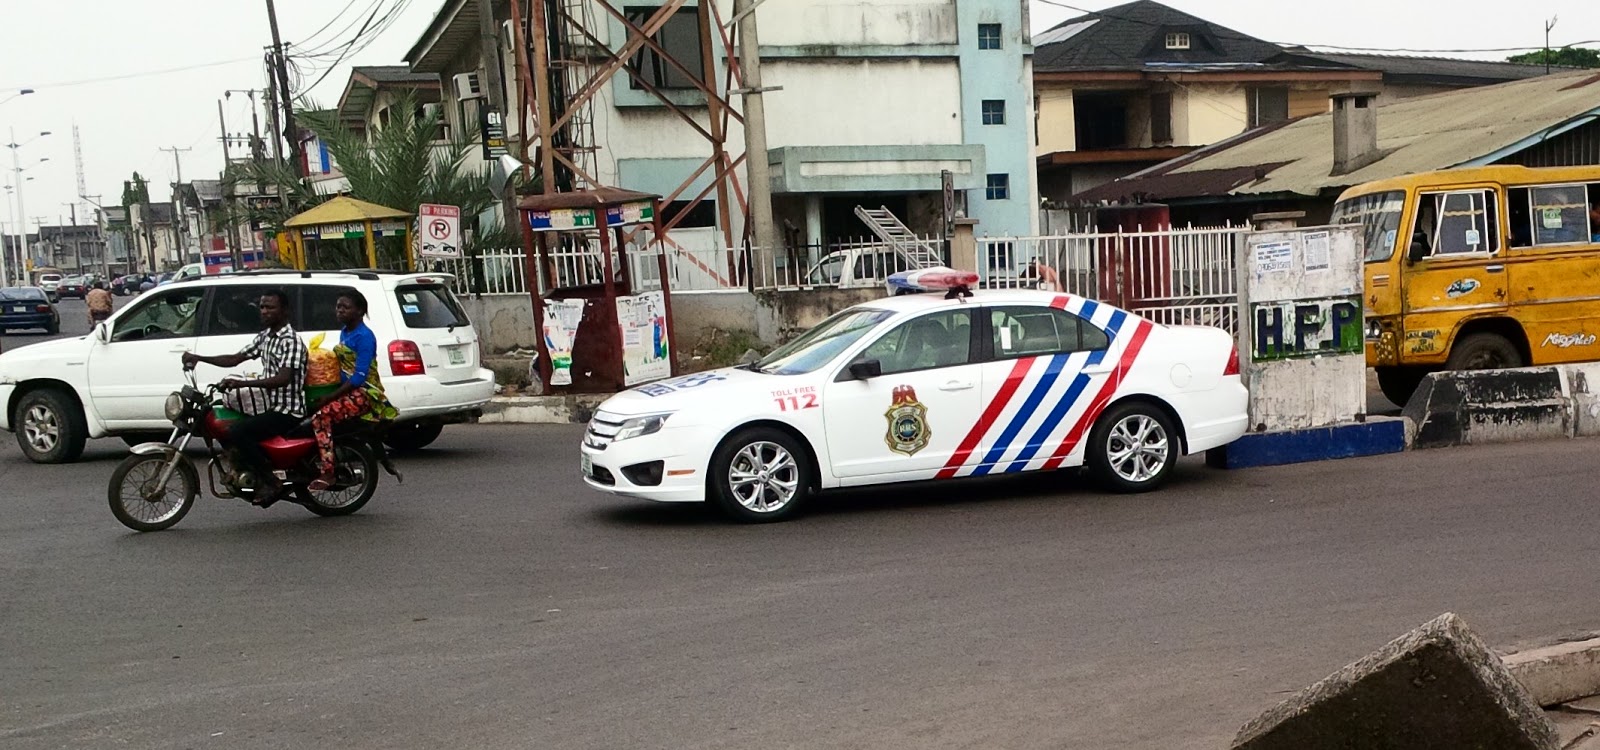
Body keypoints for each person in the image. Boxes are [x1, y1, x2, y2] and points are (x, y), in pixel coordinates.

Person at [181, 289, 308, 506]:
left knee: (239, 431)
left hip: (287, 409)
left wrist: (243, 383)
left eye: (270, 307)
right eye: (262, 307)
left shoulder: (291, 341)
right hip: (269, 404)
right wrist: (199, 358)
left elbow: (283, 379)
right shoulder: (266, 337)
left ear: (285, 311)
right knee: (223, 419)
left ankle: (271, 481)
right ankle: (243, 465)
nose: (264, 311)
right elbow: (235, 358)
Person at [308, 290, 396, 491]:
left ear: (359, 311)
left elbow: (359, 377)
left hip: (365, 393)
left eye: (345, 307)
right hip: (347, 390)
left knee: (321, 418)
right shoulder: (345, 332)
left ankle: (328, 472)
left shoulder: (364, 336)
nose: (339, 310)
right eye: (338, 306)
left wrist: (329, 397)